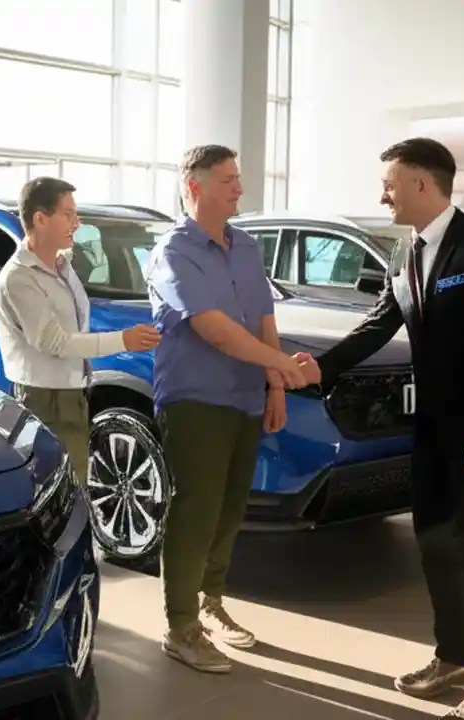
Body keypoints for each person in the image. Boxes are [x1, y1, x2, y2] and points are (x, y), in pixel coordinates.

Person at [297, 137, 464, 720]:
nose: (383, 194)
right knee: (434, 544)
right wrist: (319, 368)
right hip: (431, 430)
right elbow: (378, 324)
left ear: (422, 184)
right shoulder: (406, 255)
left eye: (390, 183)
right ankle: (453, 653)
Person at [144, 144, 313, 674]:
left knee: (231, 507)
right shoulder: (172, 253)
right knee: (195, 509)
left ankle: (211, 602)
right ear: (195, 187)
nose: (239, 188)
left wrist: (276, 384)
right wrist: (284, 366)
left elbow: (262, 318)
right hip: (195, 398)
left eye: (238, 177)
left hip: (243, 397)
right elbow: (214, 329)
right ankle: (180, 626)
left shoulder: (246, 248)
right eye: (227, 179)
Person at [0, 177, 160, 488]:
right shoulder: (19, 278)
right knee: (64, 492)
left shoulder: (61, 264)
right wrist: (124, 340)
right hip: (46, 398)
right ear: (40, 219)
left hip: (74, 392)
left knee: (75, 486)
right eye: (68, 215)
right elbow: (54, 342)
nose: (77, 223)